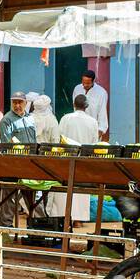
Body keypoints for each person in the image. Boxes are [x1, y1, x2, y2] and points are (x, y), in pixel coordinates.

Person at [48, 94, 100, 223]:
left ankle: (66, 217)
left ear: (73, 105)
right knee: (82, 191)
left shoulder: (66, 118)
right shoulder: (93, 122)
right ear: (86, 107)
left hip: (68, 158)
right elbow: (95, 142)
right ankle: (79, 219)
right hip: (84, 159)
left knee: (67, 189)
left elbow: (59, 139)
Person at [71, 69, 108, 138]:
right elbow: (75, 109)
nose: (84, 85)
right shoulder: (77, 89)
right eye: (83, 82)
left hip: (93, 130)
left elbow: (102, 114)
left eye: (87, 83)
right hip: (77, 128)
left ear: (93, 81)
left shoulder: (101, 93)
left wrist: (99, 132)